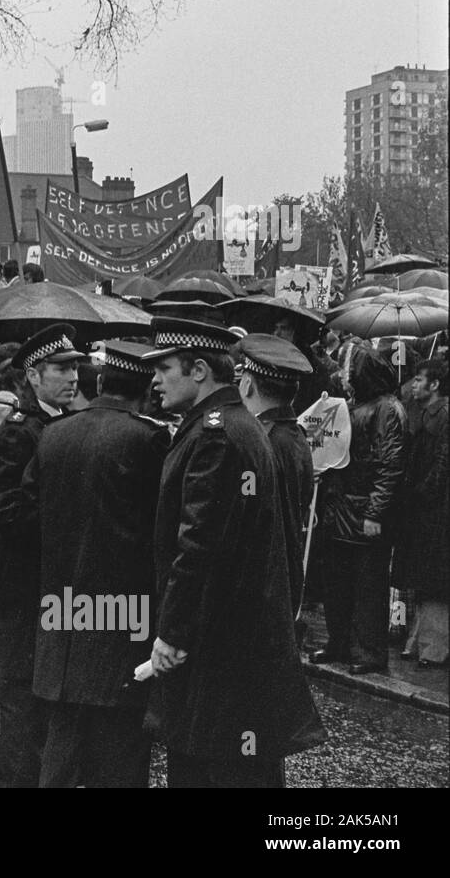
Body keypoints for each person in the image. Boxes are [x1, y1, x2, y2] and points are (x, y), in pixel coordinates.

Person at [145, 317, 324, 787]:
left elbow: (199, 545)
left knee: (214, 769)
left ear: (200, 369)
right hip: (232, 645)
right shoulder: (232, 426)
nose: (155, 380)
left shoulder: (216, 435)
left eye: (165, 368)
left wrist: (172, 633)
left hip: (218, 650)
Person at [23, 340, 167, 788]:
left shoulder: (54, 433)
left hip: (61, 610)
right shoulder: (150, 438)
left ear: (101, 382)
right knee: (120, 751)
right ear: (147, 390)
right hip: (124, 617)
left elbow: (30, 513)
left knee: (61, 746)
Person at [0, 324, 85, 787]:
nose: (73, 378)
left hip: (55, 591)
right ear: (34, 374)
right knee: (23, 705)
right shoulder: (19, 431)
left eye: (75, 368)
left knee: (49, 704)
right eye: (62, 369)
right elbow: (6, 509)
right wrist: (62, 526)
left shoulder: (63, 423)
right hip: (25, 590)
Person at [312, 344, 406, 675]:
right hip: (340, 507)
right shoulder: (353, 405)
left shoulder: (387, 409)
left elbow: (390, 465)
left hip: (364, 512)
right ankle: (339, 642)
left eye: (349, 371)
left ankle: (370, 652)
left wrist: (374, 514)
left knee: (368, 588)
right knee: (336, 582)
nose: (344, 376)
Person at [233, 334, 316, 615]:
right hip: (282, 574)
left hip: (257, 581)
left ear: (246, 384)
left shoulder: (259, 441)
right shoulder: (293, 435)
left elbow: (245, 509)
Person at [396, 360, 448, 666]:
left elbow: (442, 463)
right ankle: (419, 642)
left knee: (435, 580)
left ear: (435, 384)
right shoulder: (424, 413)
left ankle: (433, 647)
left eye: (419, 380)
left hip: (436, 510)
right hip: (425, 509)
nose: (414, 385)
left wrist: (421, 493)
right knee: (426, 578)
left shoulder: (444, 415)